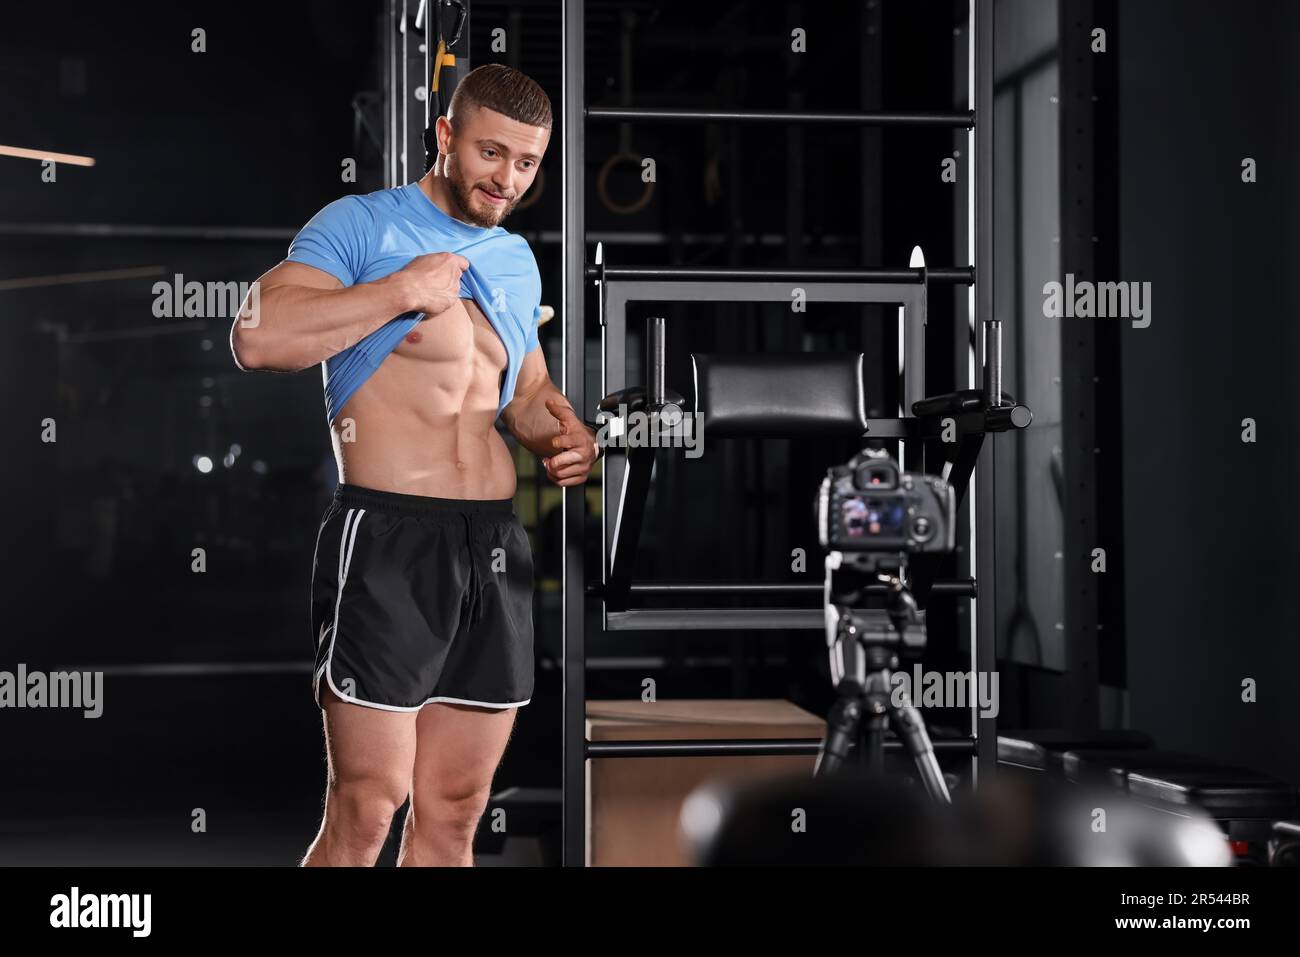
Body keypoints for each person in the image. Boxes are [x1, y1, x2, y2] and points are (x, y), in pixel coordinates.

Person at [230, 64, 597, 866]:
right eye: (491, 153)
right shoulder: (363, 226)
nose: (507, 178)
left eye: (527, 163)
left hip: (493, 545)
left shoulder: (513, 258)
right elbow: (257, 337)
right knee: (367, 807)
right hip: (389, 538)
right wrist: (400, 290)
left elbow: (524, 392)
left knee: (458, 810)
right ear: (446, 137)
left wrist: (564, 430)